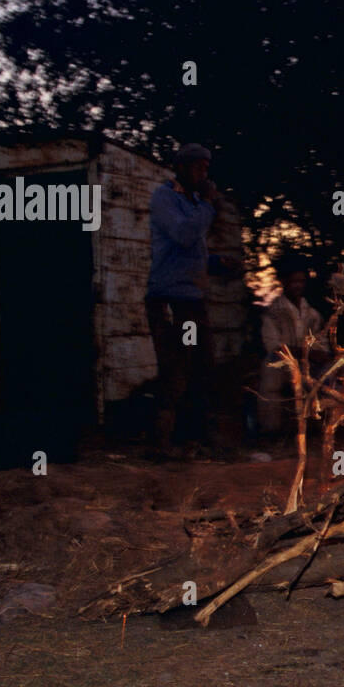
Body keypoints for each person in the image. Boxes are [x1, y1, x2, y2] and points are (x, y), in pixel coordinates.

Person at [145, 142, 221, 456]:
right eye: (198, 167)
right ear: (181, 168)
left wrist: (215, 263)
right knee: (175, 366)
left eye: (206, 168)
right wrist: (207, 204)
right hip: (169, 299)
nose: (204, 173)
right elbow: (184, 235)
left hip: (192, 298)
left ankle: (192, 440)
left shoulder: (191, 202)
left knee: (200, 365)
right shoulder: (165, 197)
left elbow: (190, 250)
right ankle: (162, 444)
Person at [257, 258, 326, 437]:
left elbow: (321, 344)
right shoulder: (273, 313)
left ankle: (325, 427)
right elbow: (274, 346)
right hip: (281, 363)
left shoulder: (312, 314)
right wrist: (306, 352)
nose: (298, 286)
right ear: (284, 282)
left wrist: (320, 355)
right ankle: (270, 431)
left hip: (308, 364)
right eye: (294, 281)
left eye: (301, 281)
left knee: (332, 374)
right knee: (271, 378)